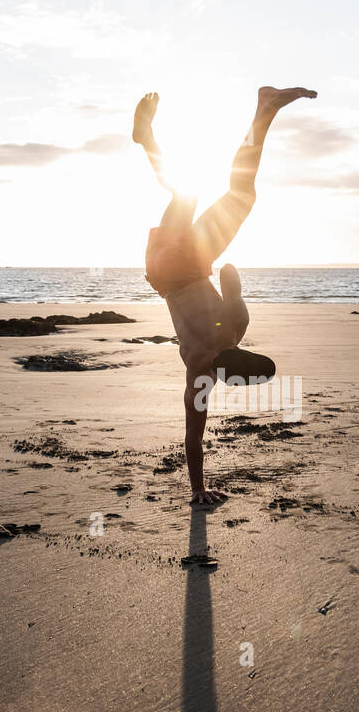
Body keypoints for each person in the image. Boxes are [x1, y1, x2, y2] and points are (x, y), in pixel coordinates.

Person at [134, 85, 316, 505]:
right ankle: (263, 108)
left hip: (191, 263)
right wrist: (198, 490)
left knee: (215, 193)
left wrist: (232, 296)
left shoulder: (236, 325)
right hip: (165, 273)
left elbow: (231, 273)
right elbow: (192, 435)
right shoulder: (199, 368)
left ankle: (153, 138)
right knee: (218, 194)